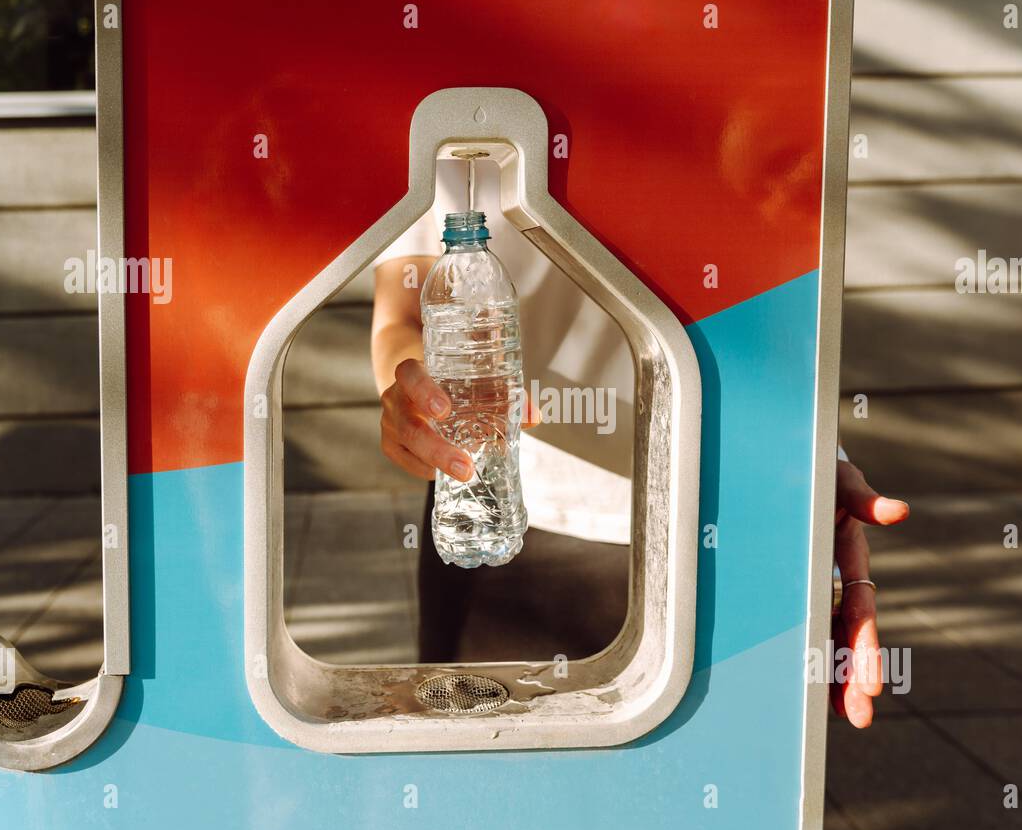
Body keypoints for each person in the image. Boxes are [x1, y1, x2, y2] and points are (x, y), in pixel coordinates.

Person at [371, 158, 908, 728]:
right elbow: (401, 315)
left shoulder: (745, 81)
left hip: (714, 511)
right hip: (511, 518)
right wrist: (415, 397)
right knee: (490, 785)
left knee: (704, 785)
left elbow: (775, 323)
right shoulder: (470, 100)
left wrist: (816, 458)